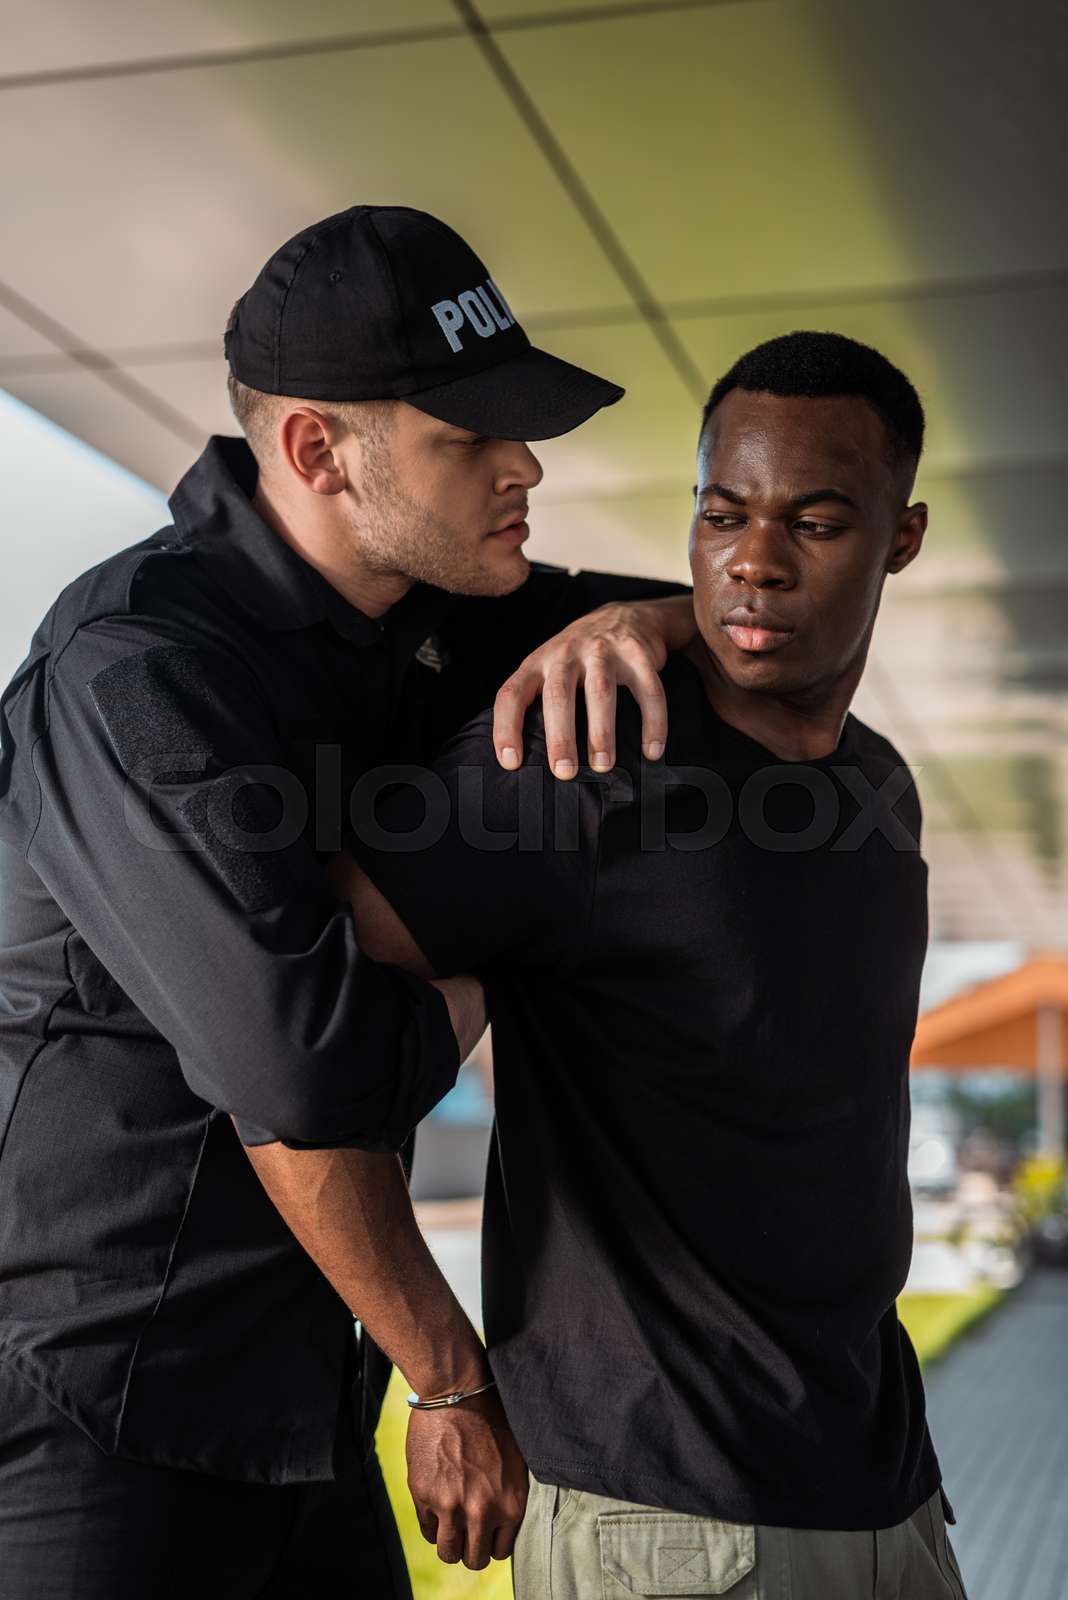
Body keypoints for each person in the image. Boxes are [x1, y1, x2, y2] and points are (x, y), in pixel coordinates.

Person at [0, 204, 697, 1598]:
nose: (526, 465)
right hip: (92, 1415)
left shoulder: (426, 603)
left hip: (303, 1400)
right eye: (468, 439)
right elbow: (307, 1070)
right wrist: (486, 973)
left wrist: (644, 622)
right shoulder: (138, 665)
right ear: (318, 451)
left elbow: (726, 619)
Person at [338, 331, 971, 1598]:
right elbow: (292, 1025)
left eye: (817, 522)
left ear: (900, 539)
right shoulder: (576, 759)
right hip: (662, 1517)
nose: (754, 558)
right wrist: (441, 1371)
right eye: (722, 512)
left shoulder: (879, 789)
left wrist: (655, 613)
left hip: (888, 1488)